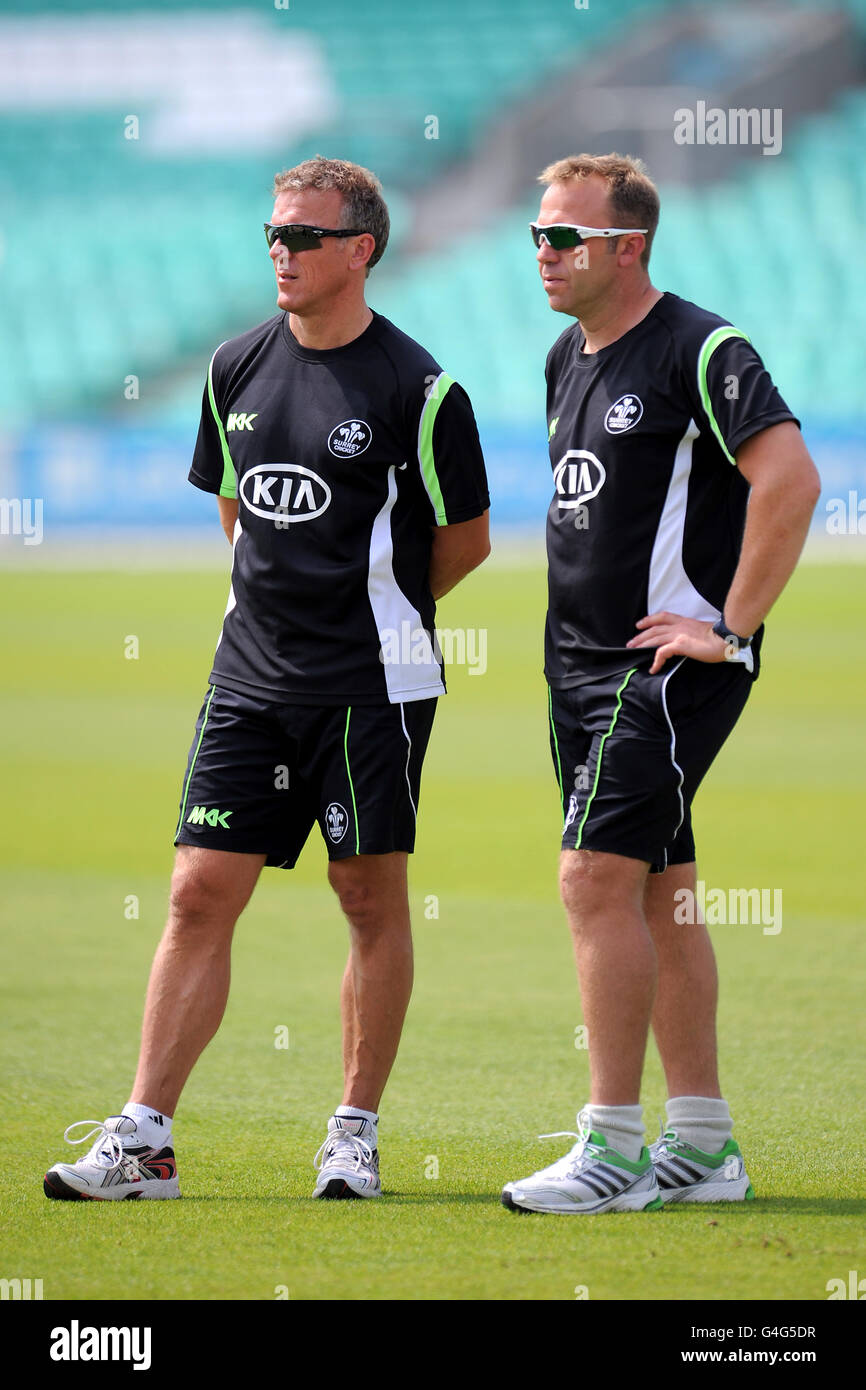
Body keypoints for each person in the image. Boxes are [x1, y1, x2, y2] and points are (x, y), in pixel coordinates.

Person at [45, 156, 490, 1203]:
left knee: (364, 896)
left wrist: (364, 604)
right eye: (273, 235)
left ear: (360, 250)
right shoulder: (232, 366)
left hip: (370, 682)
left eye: (303, 237)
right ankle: (145, 1139)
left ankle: (352, 1130)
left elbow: (463, 540)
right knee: (198, 893)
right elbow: (238, 507)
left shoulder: (422, 391)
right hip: (247, 675)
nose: (281, 252)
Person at [502, 153, 819, 1215]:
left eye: (561, 237)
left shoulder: (701, 346)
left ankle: (610, 1148)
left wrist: (728, 628)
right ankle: (699, 1144)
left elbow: (790, 478)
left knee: (591, 879)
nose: (540, 254)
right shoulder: (564, 357)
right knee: (656, 890)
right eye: (537, 234)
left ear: (624, 246)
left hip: (661, 668)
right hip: (576, 672)